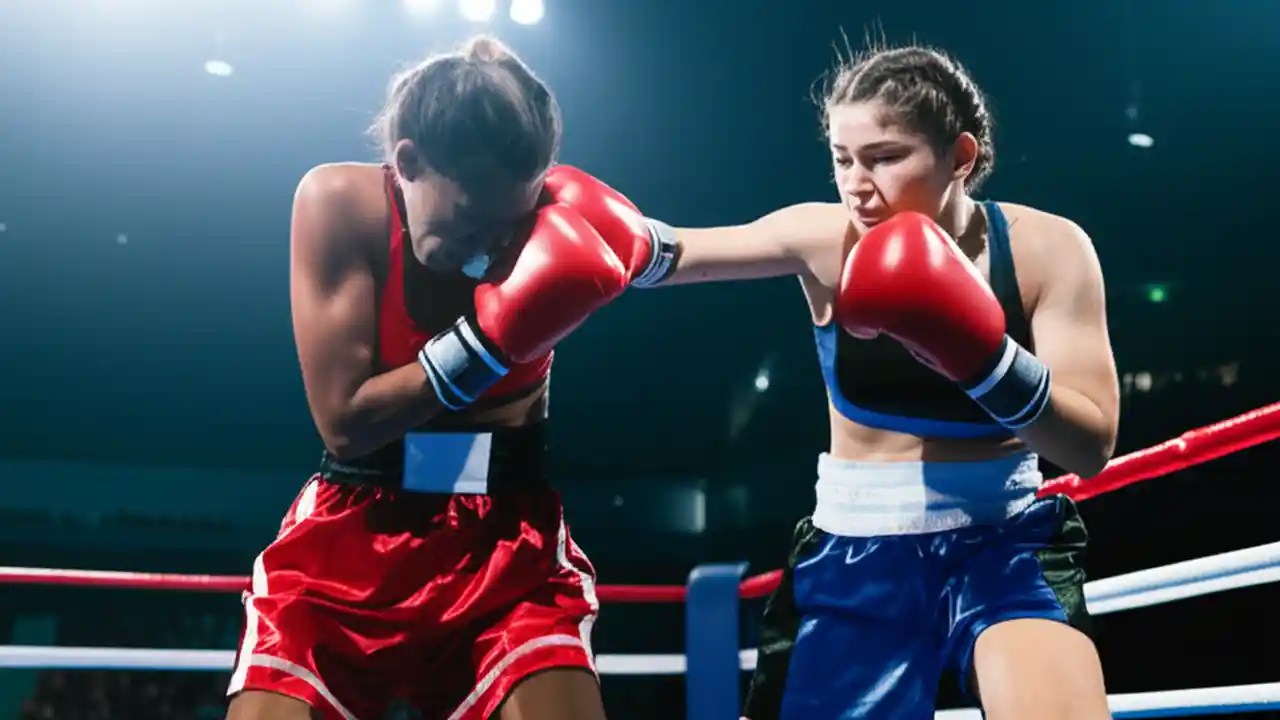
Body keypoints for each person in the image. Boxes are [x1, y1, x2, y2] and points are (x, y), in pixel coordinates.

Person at [634, 44, 1119, 719]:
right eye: (842, 159)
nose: (858, 184)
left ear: (961, 156)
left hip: (1003, 542)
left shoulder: (1046, 250)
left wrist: (983, 360)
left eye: (886, 158)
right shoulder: (823, 239)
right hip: (856, 552)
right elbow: (670, 251)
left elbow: (1091, 444)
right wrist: (557, 222)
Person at [225, 36, 667, 720]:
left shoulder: (551, 215)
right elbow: (344, 424)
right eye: (470, 218)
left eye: (509, 225)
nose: (491, 245)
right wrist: (489, 343)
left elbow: (701, 249)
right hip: (353, 530)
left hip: (505, 538)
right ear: (407, 163)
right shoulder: (340, 203)